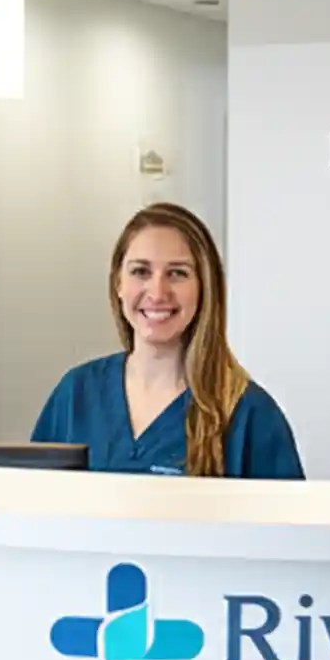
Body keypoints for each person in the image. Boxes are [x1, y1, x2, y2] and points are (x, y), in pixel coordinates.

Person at [31, 202, 305, 479]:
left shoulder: (250, 415)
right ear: (118, 284)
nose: (158, 293)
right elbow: (33, 499)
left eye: (177, 273)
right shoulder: (76, 394)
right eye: (141, 272)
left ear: (204, 287)